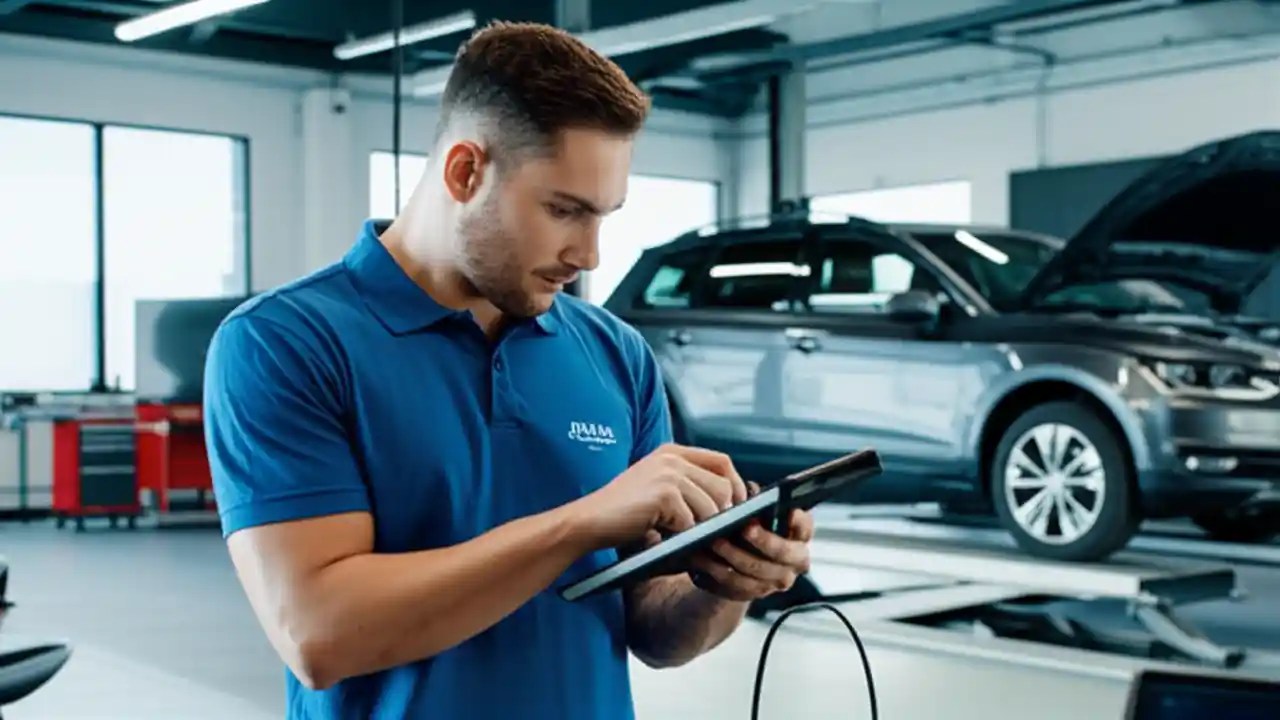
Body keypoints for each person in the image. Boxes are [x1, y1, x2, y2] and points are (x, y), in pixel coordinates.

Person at [203, 20, 814, 720]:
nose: (589, 254)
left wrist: (725, 583)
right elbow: (320, 634)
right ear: (465, 172)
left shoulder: (614, 355)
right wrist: (579, 523)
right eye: (564, 210)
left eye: (603, 216)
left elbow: (652, 627)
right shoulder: (285, 343)